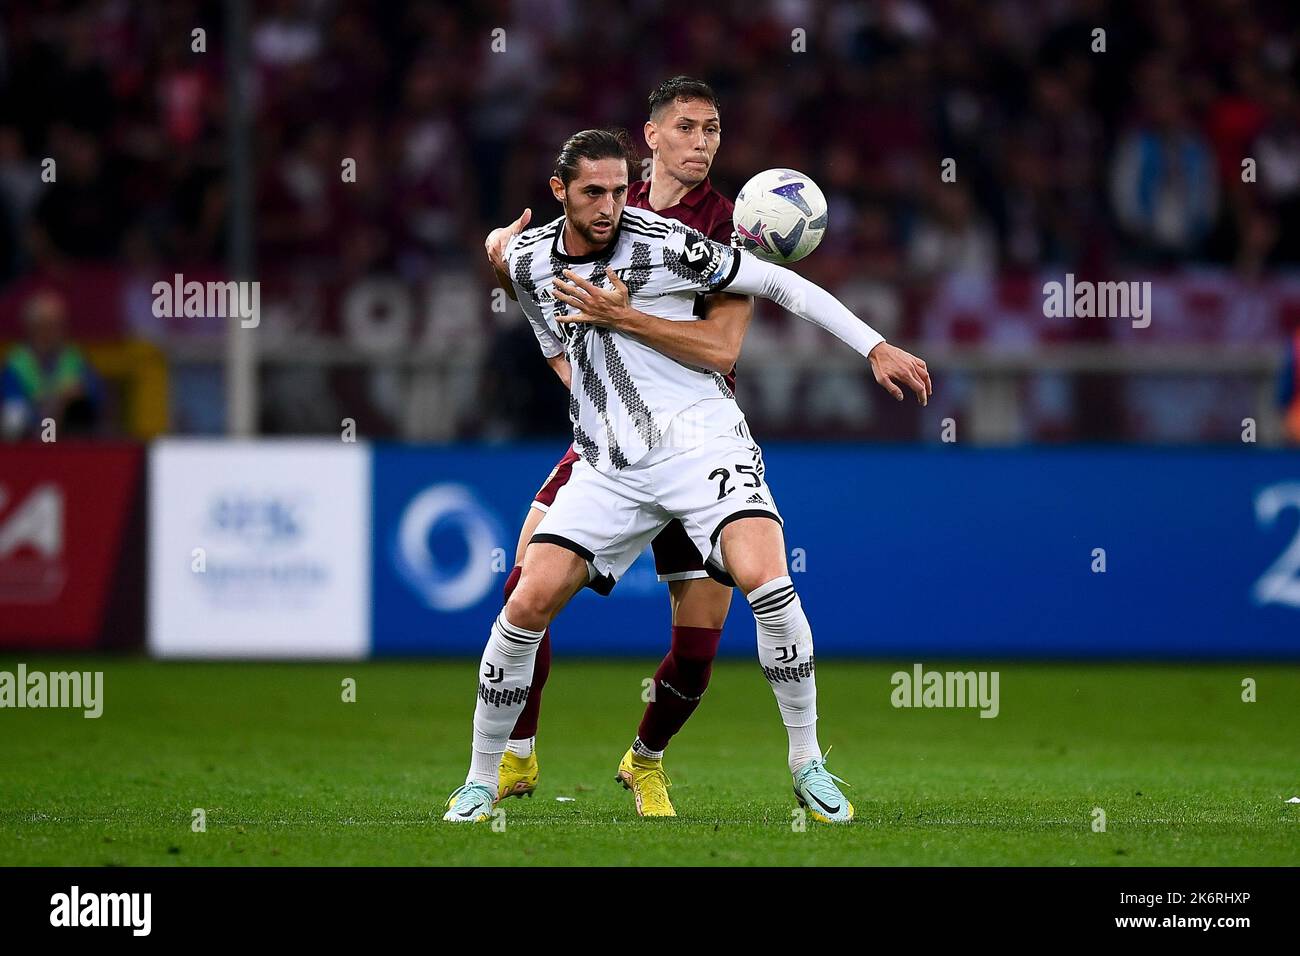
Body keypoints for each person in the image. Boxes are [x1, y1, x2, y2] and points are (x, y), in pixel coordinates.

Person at [445, 125, 929, 824]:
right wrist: (590, 390)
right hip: (611, 465)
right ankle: (480, 780)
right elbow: (547, 330)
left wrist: (875, 344)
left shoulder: (668, 244)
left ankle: (807, 762)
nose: (610, 205)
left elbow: (780, 284)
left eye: (617, 189)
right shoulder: (525, 260)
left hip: (704, 446)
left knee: (767, 577)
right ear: (559, 192)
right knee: (525, 602)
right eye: (593, 193)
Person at [484, 77, 752, 816]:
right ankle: (516, 755)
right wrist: (502, 252)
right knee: (524, 594)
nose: (703, 144)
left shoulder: (728, 226)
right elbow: (538, 285)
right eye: (689, 128)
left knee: (697, 651)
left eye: (714, 130)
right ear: (651, 138)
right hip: (608, 442)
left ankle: (647, 760)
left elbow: (722, 347)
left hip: (696, 440)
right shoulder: (606, 206)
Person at [1, 290, 101, 440]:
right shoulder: (16, 364)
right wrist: (51, 404)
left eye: (56, 325)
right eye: (44, 325)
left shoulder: (74, 359)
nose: (51, 332)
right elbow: (12, 410)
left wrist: (72, 397)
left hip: (69, 438)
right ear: (31, 328)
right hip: (28, 441)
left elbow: (96, 398)